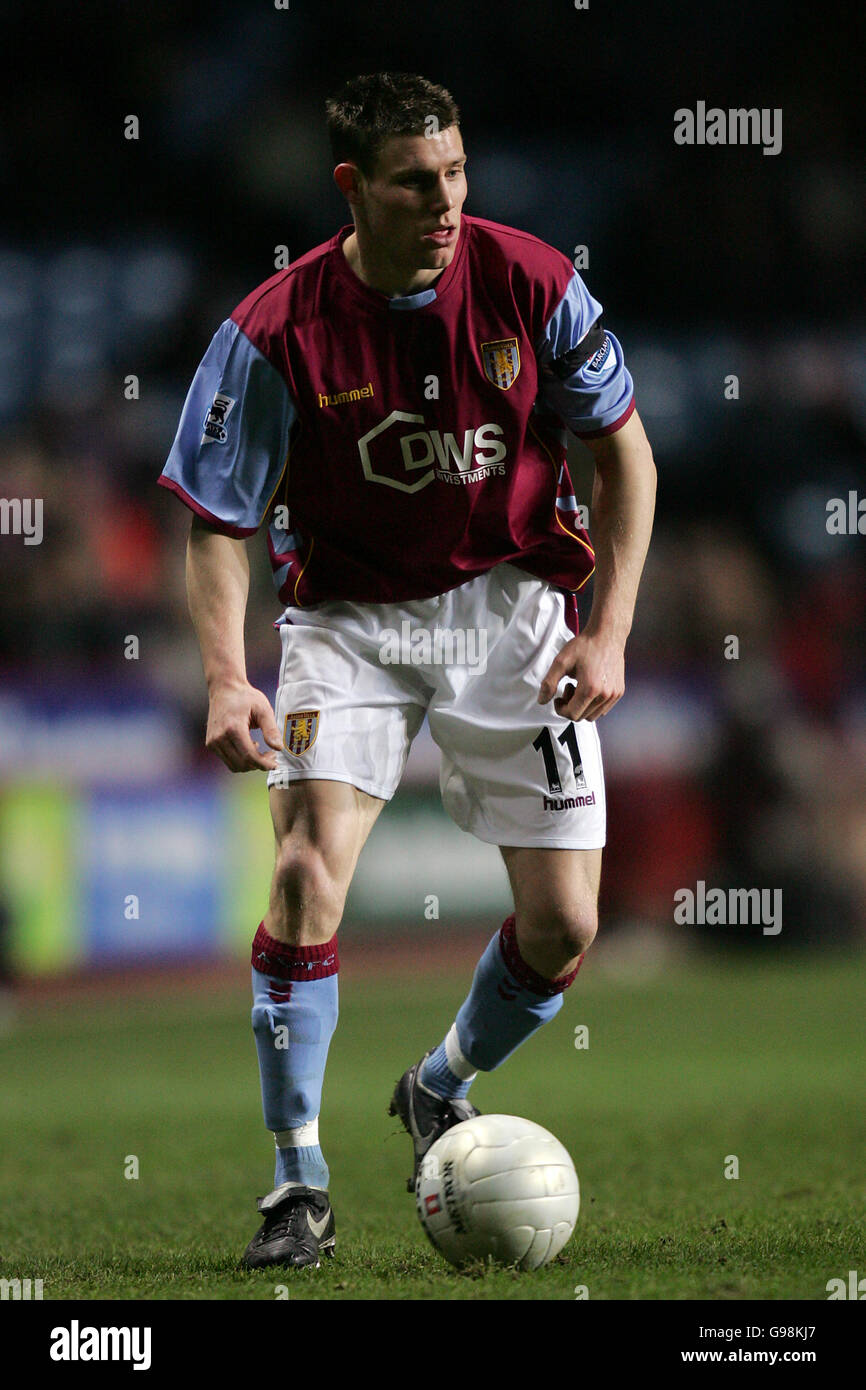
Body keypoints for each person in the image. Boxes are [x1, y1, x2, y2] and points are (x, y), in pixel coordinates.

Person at [159, 71, 656, 1270]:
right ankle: (297, 1185)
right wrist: (228, 675)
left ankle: (440, 1081)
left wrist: (610, 632)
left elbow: (623, 459)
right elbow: (217, 521)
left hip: (513, 610)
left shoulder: (530, 281)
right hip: (349, 619)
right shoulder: (272, 331)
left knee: (562, 925)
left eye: (455, 173)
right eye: (414, 182)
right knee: (301, 876)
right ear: (352, 188)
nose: (444, 201)